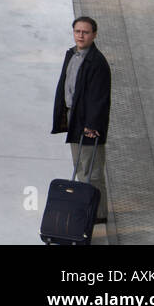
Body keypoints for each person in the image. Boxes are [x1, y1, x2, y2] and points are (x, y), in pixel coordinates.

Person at [52, 16, 111, 225]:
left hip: (88, 125)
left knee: (91, 170)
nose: (81, 35)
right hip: (74, 118)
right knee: (81, 168)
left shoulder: (97, 63)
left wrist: (92, 126)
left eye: (85, 32)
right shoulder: (73, 55)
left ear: (94, 35)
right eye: (77, 31)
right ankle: (91, 208)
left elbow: (99, 98)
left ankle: (97, 213)